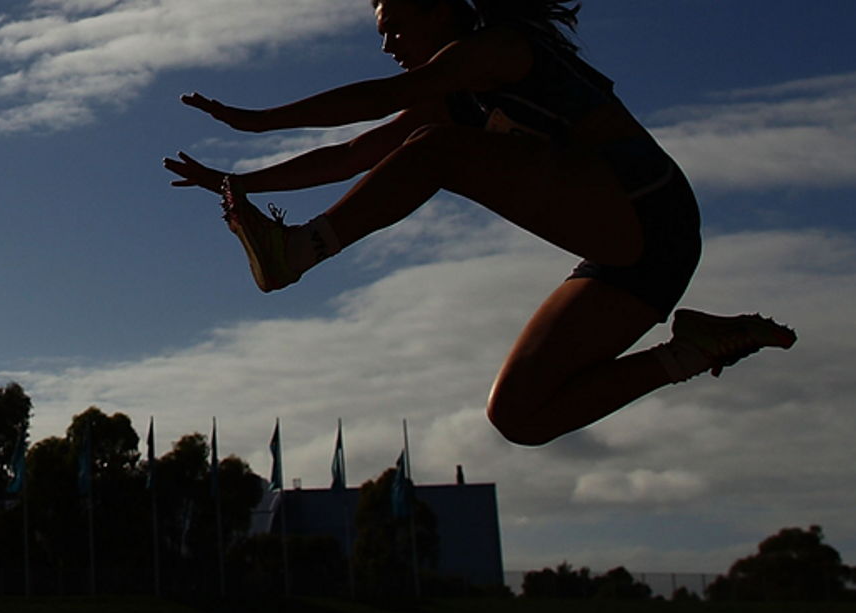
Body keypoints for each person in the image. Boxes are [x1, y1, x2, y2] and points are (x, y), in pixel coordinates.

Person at [164, 0, 796, 446]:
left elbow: (380, 101)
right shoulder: (455, 97)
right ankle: (696, 351)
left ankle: (299, 249)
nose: (388, 45)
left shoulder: (499, 49)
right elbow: (355, 156)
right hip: (631, 260)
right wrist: (233, 180)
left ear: (443, 10)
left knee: (438, 150)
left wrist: (253, 119)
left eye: (396, 26)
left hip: (650, 211)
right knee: (519, 415)